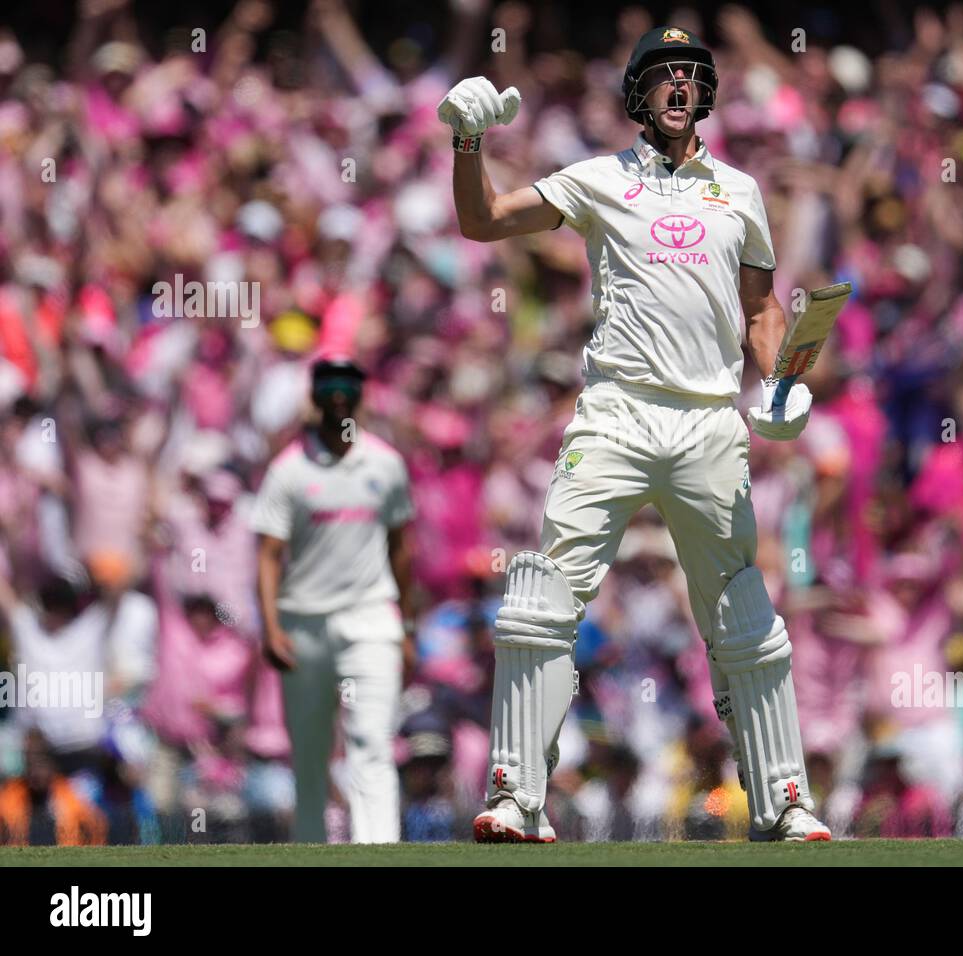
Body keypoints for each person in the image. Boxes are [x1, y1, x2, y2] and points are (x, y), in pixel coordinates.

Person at [439, 25, 830, 842]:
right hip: (616, 409)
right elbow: (483, 222)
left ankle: (783, 801)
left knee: (743, 614)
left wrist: (780, 382)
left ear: (708, 92)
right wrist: (469, 144)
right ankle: (516, 795)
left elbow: (762, 311)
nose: (680, 86)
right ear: (639, 95)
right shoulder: (598, 179)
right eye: (663, 76)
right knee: (540, 599)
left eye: (691, 74)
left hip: (709, 419)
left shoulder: (740, 192)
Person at [250, 356, 415, 843]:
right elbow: (268, 555)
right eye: (330, 390)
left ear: (361, 398)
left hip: (371, 621)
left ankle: (377, 852)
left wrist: (405, 627)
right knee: (309, 750)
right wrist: (272, 627)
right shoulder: (289, 471)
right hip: (304, 626)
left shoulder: (385, 465)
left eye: (348, 390)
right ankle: (308, 847)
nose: (339, 399)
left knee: (371, 744)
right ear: (315, 398)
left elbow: (402, 549)